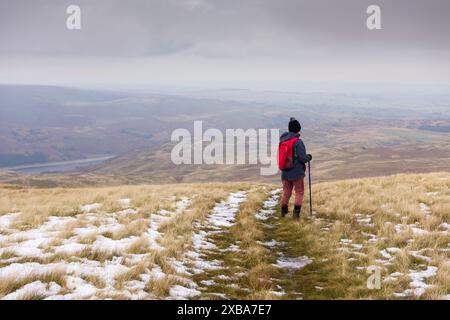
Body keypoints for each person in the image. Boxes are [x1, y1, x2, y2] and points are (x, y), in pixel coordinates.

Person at [279, 117, 312, 219]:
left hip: (285, 171)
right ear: (298, 129)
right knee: (299, 192)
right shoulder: (298, 142)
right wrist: (309, 157)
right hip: (296, 172)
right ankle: (296, 215)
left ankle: (283, 213)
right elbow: (303, 158)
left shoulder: (283, 140)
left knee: (286, 192)